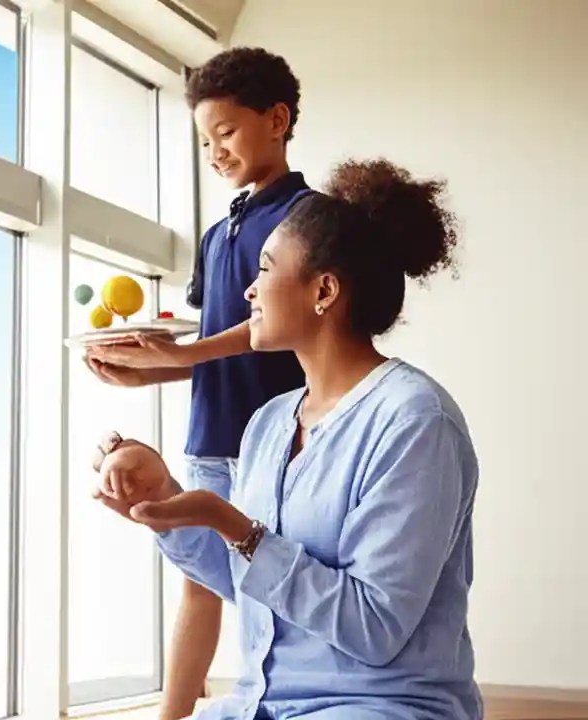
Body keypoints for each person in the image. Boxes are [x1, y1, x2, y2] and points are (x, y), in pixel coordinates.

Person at [91, 158, 481, 719]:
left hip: (379, 708)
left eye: (266, 269)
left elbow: (375, 627)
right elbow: (252, 583)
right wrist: (163, 498)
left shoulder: (414, 422)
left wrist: (232, 524)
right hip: (261, 705)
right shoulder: (270, 423)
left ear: (324, 290)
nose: (249, 289)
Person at [84, 47, 310, 720]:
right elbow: (209, 330)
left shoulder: (308, 220)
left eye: (227, 133)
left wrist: (180, 358)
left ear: (277, 119)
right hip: (209, 432)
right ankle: (174, 715)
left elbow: (267, 323)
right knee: (195, 583)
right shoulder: (218, 235)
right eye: (205, 141)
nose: (215, 151)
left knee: (266, 580)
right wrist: (143, 363)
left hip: (276, 440)